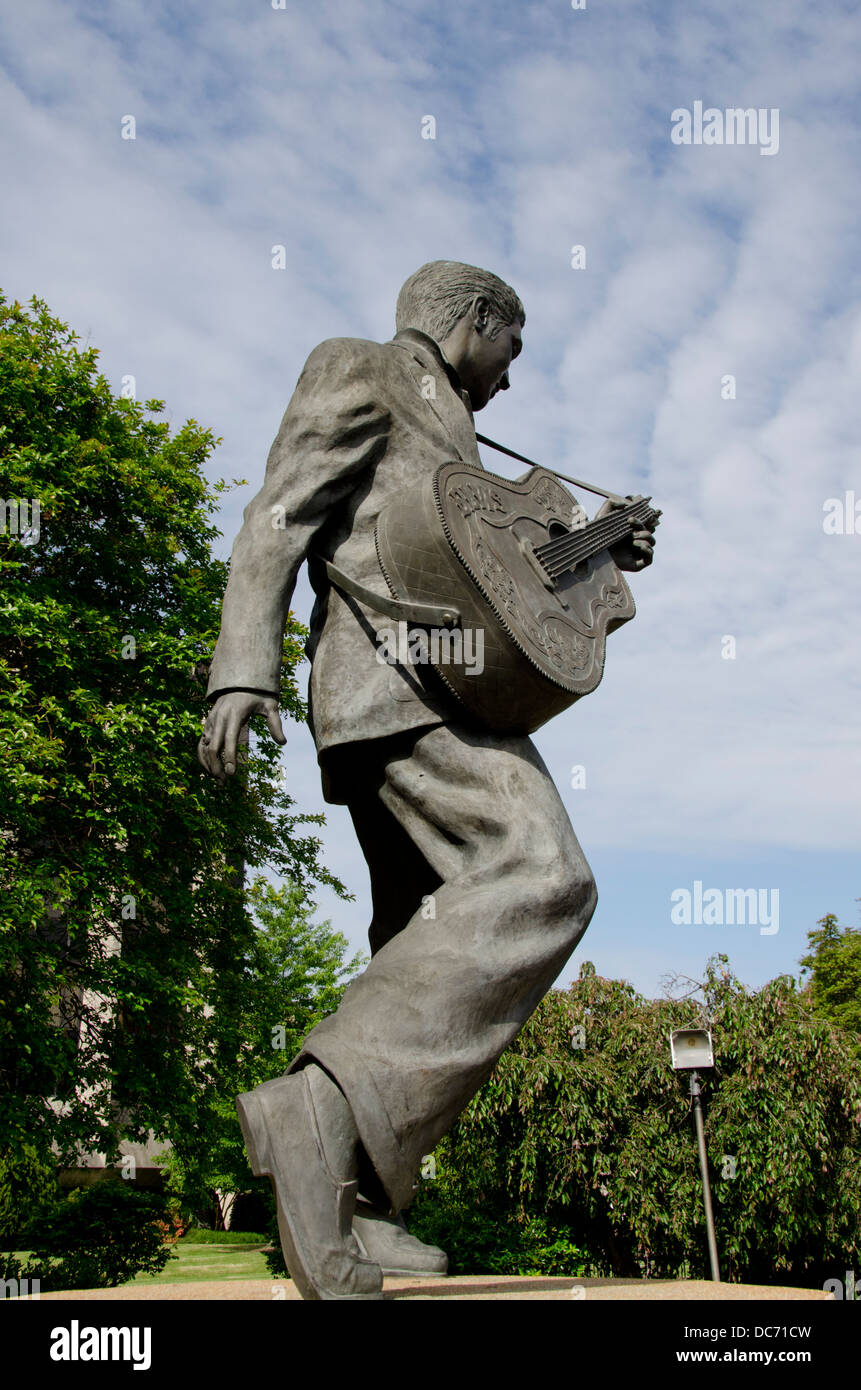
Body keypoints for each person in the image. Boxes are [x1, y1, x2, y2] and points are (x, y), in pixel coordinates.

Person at [197, 260, 656, 1300]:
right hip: (398, 686)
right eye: (513, 347)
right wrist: (243, 666)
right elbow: (277, 515)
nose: (513, 376)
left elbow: (498, 570)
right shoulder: (357, 368)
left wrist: (605, 546)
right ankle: (316, 1110)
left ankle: (352, 1197)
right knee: (542, 873)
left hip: (448, 683)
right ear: (475, 319)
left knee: (419, 938)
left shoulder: (456, 427)